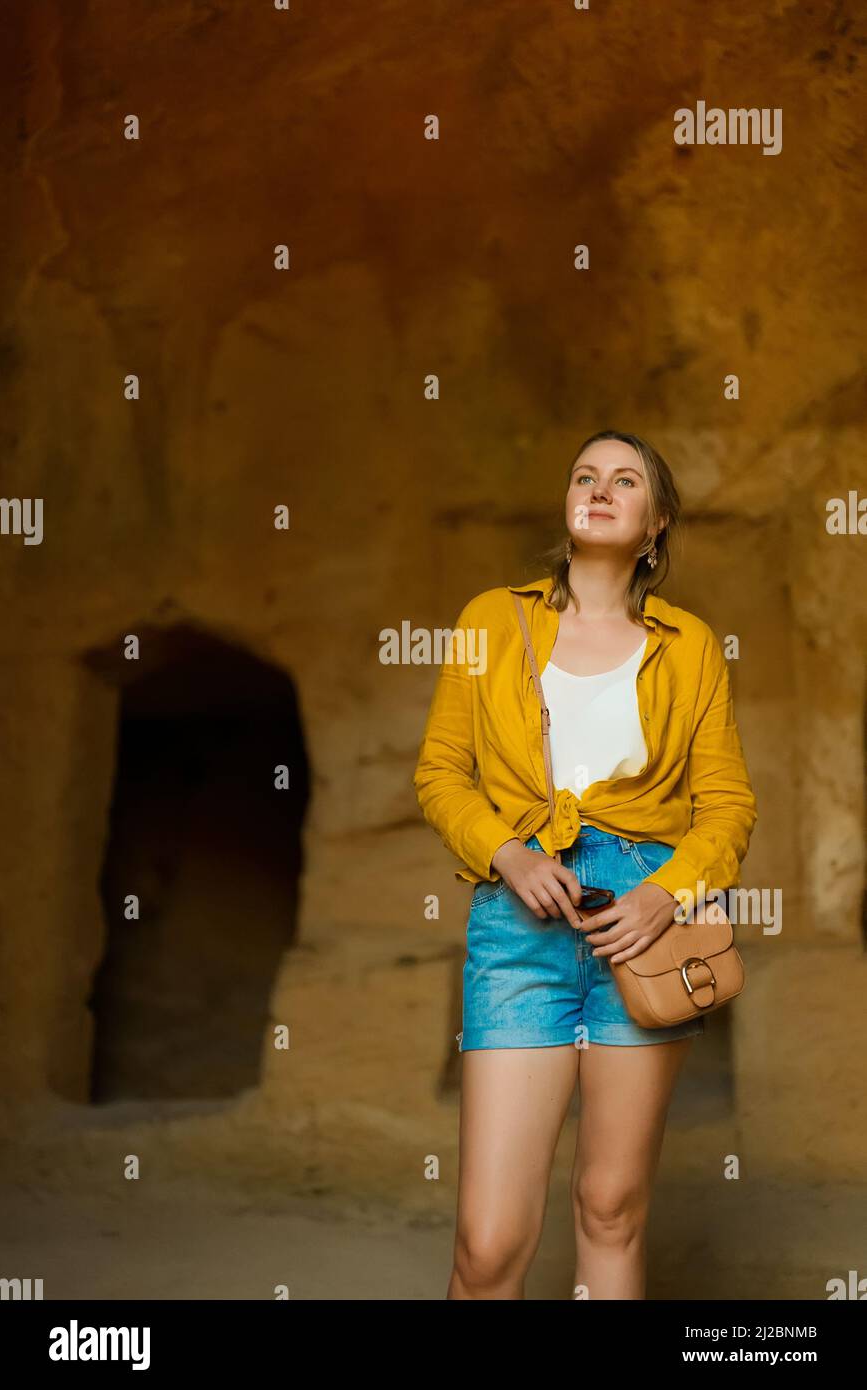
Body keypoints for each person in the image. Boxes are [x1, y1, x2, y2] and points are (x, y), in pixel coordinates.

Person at [413, 428, 758, 1300]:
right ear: (568, 505)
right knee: (488, 1246)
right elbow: (440, 773)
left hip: (643, 932)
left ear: (656, 525)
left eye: (625, 480)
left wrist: (664, 894)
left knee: (611, 1207)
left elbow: (727, 810)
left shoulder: (691, 647)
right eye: (585, 475)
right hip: (516, 928)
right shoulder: (490, 620)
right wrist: (505, 852)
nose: (600, 488)